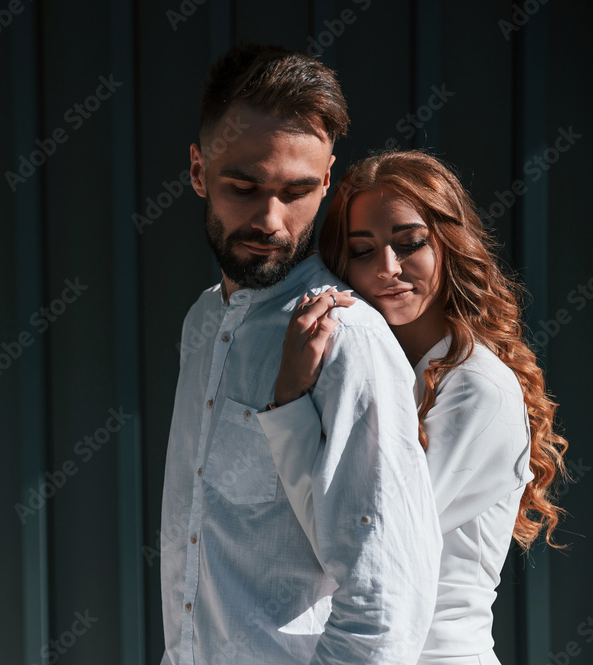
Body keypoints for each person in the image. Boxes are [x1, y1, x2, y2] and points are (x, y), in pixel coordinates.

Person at [159, 44, 442, 664]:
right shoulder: (203, 322)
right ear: (199, 169)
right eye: (243, 185)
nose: (271, 218)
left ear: (328, 182)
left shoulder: (345, 337)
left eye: (298, 191)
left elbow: (388, 599)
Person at [266, 149, 569, 663]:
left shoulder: (478, 388)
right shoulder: (389, 372)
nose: (388, 269)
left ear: (449, 245)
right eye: (362, 251)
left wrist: (290, 402)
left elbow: (364, 544)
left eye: (409, 244)